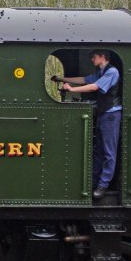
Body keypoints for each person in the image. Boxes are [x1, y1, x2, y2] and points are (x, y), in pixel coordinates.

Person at [52, 50, 121, 200]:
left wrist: (71, 90)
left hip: (111, 115)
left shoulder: (112, 72)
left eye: (94, 57)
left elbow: (93, 87)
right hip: (104, 114)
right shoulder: (101, 71)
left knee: (109, 152)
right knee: (98, 151)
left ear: (102, 57)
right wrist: (62, 78)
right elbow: (84, 79)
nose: (91, 59)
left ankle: (104, 185)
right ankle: (94, 182)